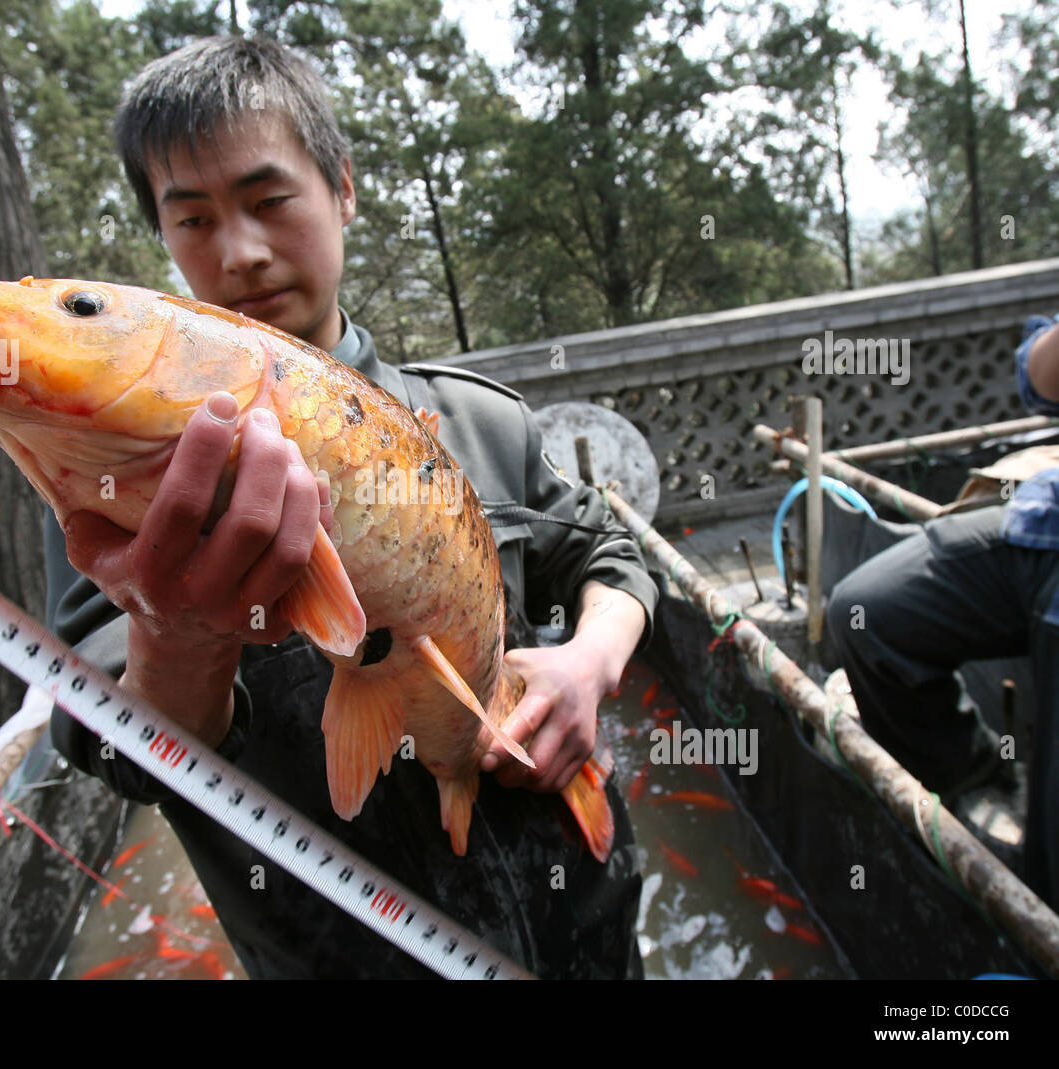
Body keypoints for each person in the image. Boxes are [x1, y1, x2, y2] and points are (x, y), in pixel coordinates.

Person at [43, 36, 659, 978]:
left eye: (268, 199)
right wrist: (181, 635)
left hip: (589, 928)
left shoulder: (477, 417)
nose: (240, 252)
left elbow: (609, 552)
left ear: (341, 188)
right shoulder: (113, 494)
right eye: (194, 219)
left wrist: (588, 661)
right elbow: (121, 750)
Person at [827, 314, 1059, 911]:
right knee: (865, 613)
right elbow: (1037, 382)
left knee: (1048, 858)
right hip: (1043, 523)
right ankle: (973, 780)